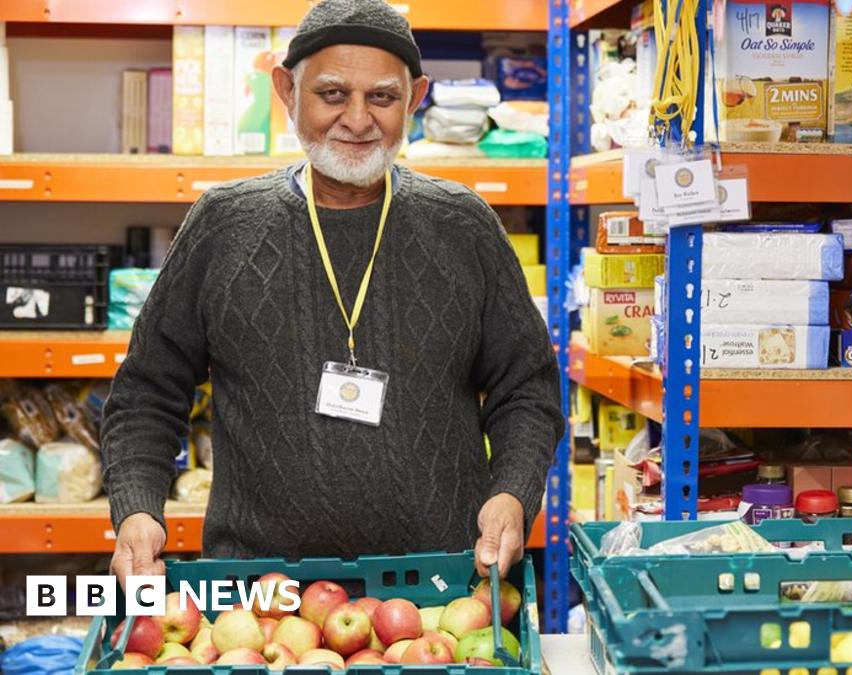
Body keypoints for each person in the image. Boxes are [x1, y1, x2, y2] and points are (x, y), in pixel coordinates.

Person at [100, 0, 562, 585]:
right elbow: (148, 389)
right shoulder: (223, 224)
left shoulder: (462, 225)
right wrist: (138, 509)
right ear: (287, 91)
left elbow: (526, 388)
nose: (358, 119)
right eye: (333, 94)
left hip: (442, 586)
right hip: (261, 593)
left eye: (383, 97)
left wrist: (512, 493)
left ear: (415, 99)